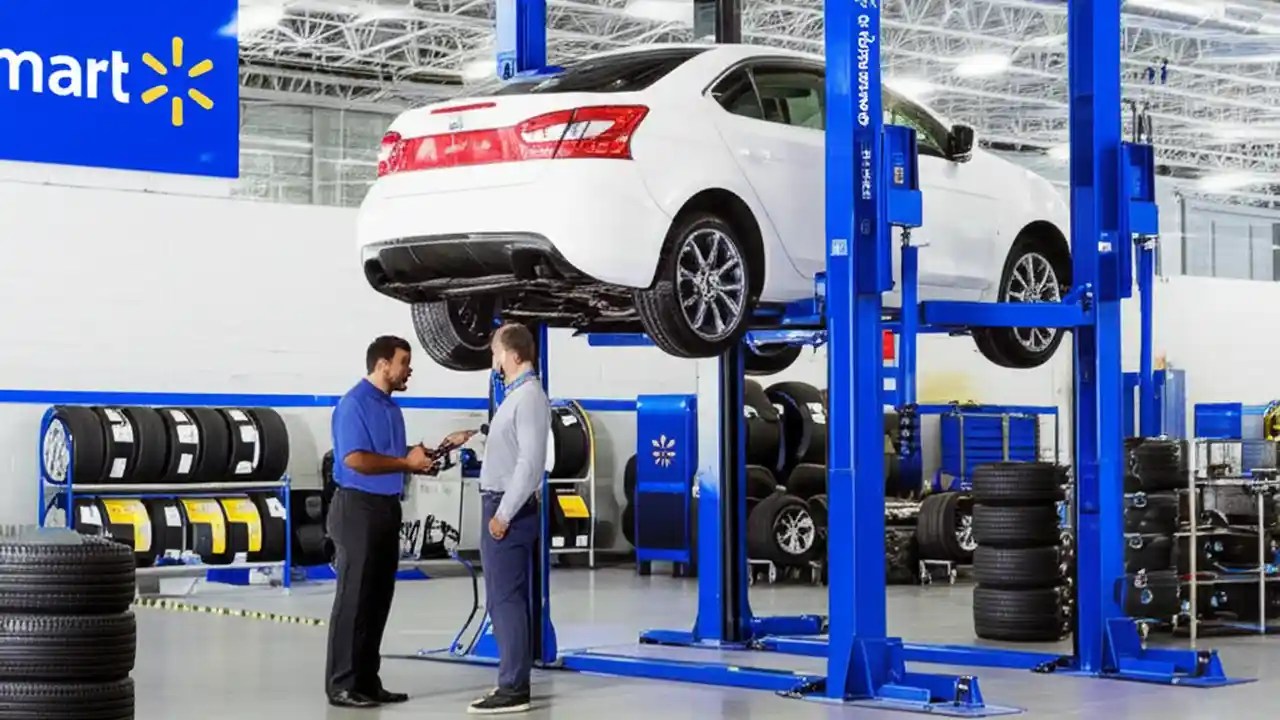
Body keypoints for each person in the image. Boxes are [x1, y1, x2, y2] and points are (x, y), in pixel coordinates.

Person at [326, 335, 476, 709]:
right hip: (357, 508)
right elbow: (355, 460)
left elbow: (394, 457)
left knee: (377, 599)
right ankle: (342, 683)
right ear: (382, 365)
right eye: (404, 361)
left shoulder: (391, 409)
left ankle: (366, 680)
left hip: (385, 507)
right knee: (354, 599)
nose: (409, 369)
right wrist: (405, 463)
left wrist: (428, 455)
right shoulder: (353, 404)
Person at [468, 323, 551, 715]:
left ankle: (513, 687)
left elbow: (530, 464)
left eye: (496, 353)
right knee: (505, 599)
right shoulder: (516, 397)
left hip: (509, 511)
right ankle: (513, 679)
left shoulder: (529, 397)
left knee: (506, 601)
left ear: (513, 355)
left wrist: (503, 514)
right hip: (503, 504)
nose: (494, 361)